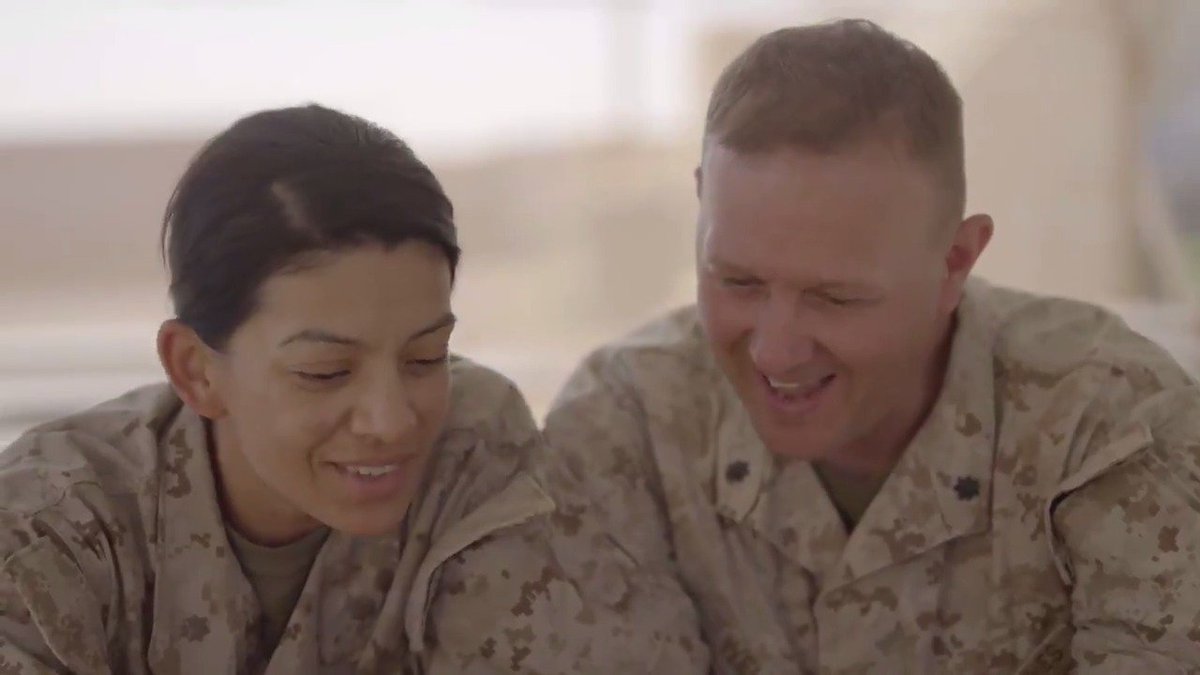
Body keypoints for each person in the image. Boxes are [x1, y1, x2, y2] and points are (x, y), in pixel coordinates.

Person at [543, 19, 1200, 672]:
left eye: (834, 297)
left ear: (955, 260)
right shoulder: (623, 429)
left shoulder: (1108, 423)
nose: (775, 350)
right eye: (737, 281)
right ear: (701, 208)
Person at [0, 104, 705, 673]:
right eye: (325, 372)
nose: (392, 419)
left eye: (426, 356)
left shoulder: (472, 444)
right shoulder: (50, 530)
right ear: (195, 368)